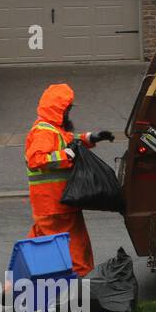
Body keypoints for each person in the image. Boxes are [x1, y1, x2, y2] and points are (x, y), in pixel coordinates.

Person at [24, 84, 115, 277]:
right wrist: (67, 155)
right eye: (68, 109)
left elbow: (70, 141)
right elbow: (36, 159)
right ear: (60, 110)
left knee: (44, 248)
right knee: (73, 249)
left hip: (57, 204)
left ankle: (21, 284)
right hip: (54, 205)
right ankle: (78, 287)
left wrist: (92, 138)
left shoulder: (53, 129)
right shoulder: (44, 132)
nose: (69, 113)